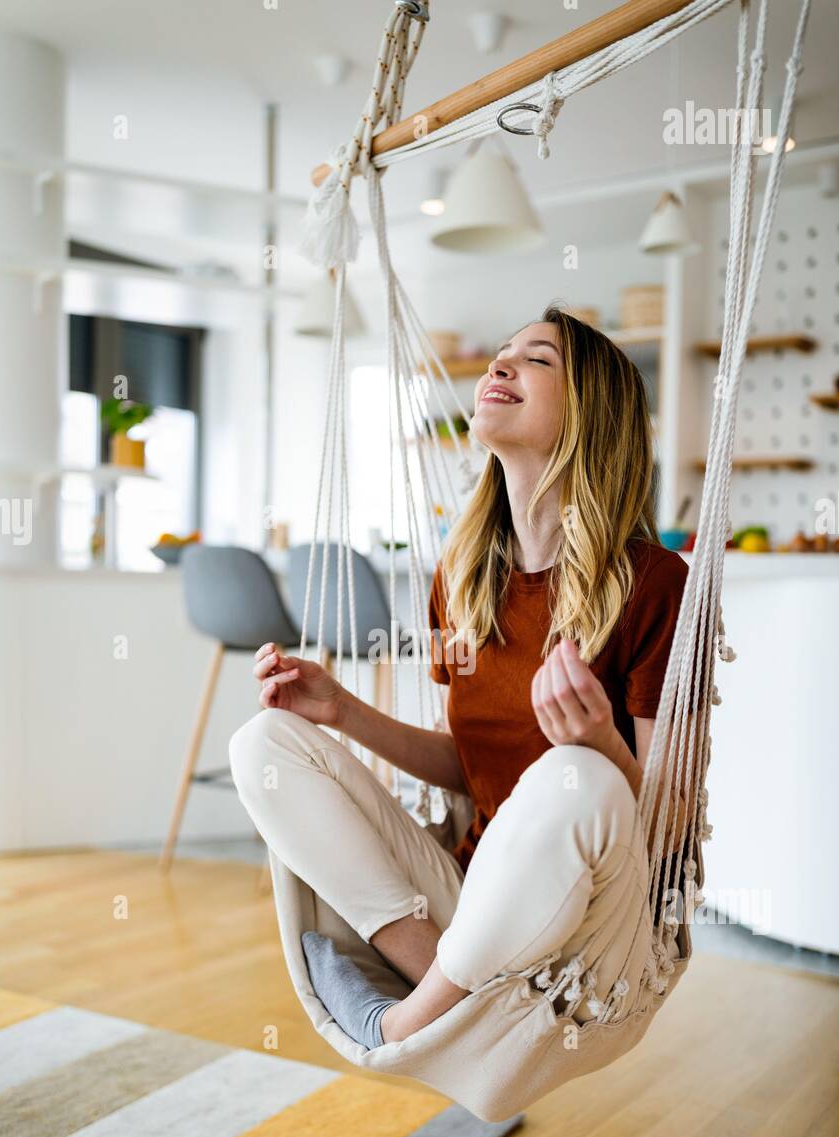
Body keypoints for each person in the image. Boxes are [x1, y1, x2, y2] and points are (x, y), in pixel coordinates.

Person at [228, 303, 693, 1052]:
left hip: (580, 941)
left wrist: (602, 746)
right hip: (465, 910)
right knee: (265, 742)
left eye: (538, 360)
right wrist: (340, 709)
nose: (499, 366)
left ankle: (409, 1020)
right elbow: (465, 765)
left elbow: (665, 831)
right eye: (500, 353)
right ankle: (441, 986)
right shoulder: (464, 575)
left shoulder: (656, 584)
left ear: (593, 414)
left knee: (577, 776)